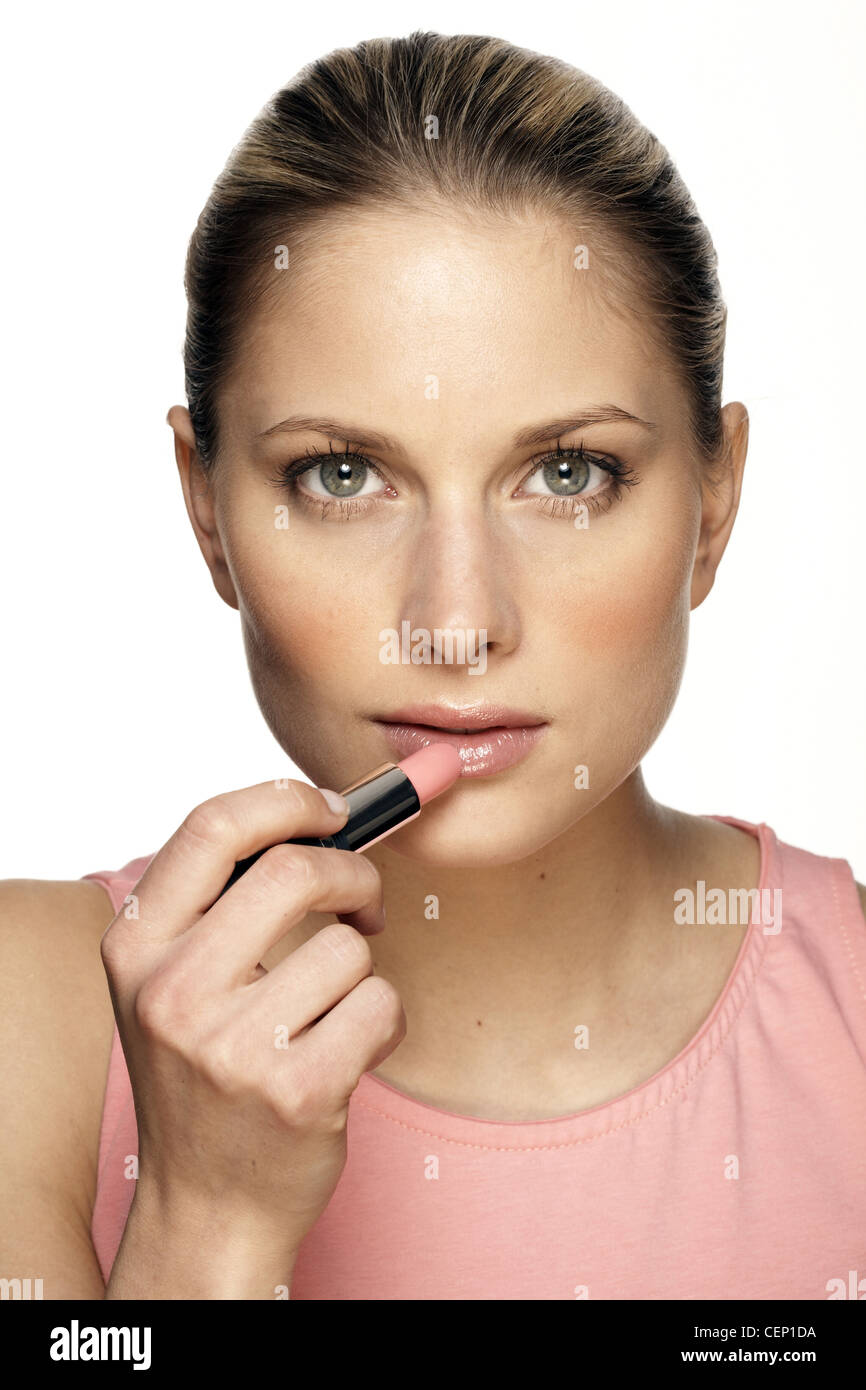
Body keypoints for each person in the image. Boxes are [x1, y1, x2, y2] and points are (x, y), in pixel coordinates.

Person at [2, 30, 864, 1301]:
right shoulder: (30, 1020)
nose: (455, 625)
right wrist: (207, 1225)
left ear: (714, 500)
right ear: (205, 508)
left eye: (567, 473)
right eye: (341, 476)